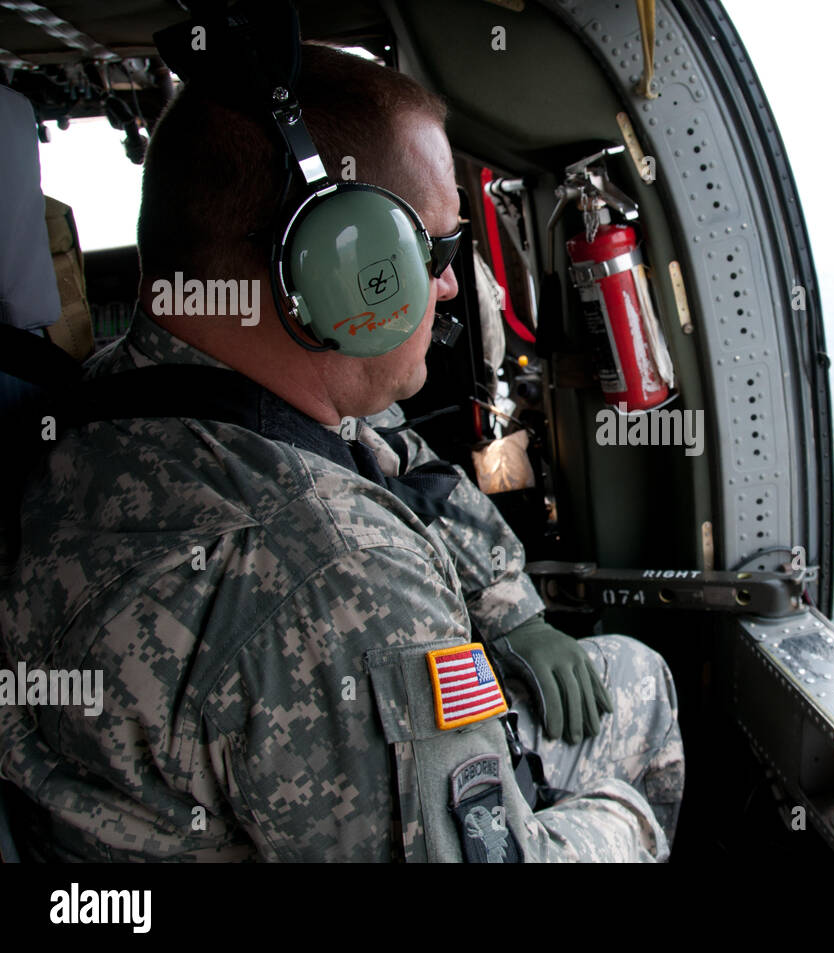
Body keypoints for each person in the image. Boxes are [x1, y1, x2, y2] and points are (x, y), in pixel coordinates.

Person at [0, 43, 683, 862]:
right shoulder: (336, 576)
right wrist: (625, 816)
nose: (451, 286)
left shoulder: (118, 394)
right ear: (340, 266)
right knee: (642, 696)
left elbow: (383, 447)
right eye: (432, 253)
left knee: (623, 674)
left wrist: (510, 610)